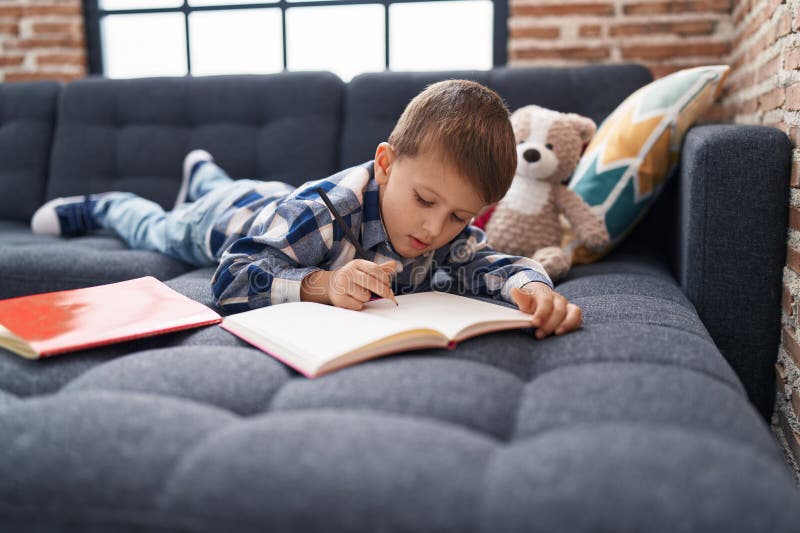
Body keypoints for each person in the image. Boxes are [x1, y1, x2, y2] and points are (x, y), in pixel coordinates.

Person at [31, 79, 582, 340]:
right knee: (158, 226)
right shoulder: (327, 208)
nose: (434, 229)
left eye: (461, 216)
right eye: (424, 200)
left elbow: (486, 263)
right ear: (385, 164)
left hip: (272, 198)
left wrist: (530, 288)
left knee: (239, 187)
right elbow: (233, 276)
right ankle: (108, 204)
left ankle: (205, 171)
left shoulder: (444, 223)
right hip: (224, 222)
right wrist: (322, 284)